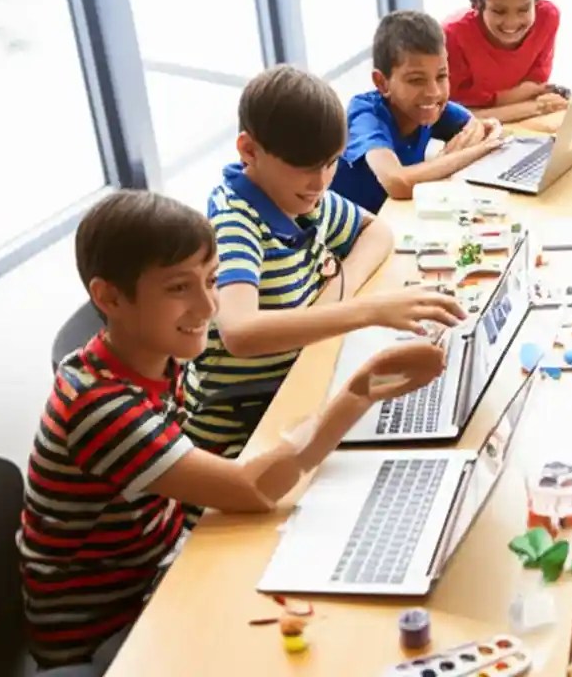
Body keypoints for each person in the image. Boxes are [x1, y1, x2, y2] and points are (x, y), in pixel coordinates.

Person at [17, 191, 446, 675]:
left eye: (212, 279)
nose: (208, 306)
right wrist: (360, 393)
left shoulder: (151, 357)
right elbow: (252, 489)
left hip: (160, 563)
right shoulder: (100, 407)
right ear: (110, 298)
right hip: (109, 632)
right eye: (179, 288)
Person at [185, 64, 466, 459]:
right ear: (249, 151)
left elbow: (377, 232)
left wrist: (334, 297)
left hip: (302, 380)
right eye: (304, 167)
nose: (320, 182)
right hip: (242, 431)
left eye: (331, 163)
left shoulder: (300, 197)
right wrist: (365, 311)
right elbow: (241, 332)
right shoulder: (234, 222)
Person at [330, 10, 504, 212]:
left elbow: (477, 129)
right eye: (416, 80)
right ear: (382, 83)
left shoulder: (431, 107)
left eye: (441, 76)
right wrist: (473, 152)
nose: (433, 92)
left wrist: (484, 137)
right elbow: (397, 182)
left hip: (396, 216)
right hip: (344, 229)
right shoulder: (366, 115)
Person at [443, 0, 568, 123]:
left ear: (536, 0)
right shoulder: (452, 36)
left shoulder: (547, 18)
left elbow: (535, 86)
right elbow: (453, 115)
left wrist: (531, 99)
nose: (511, 23)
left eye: (523, 10)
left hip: (521, 123)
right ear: (478, 3)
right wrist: (535, 105)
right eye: (498, 11)